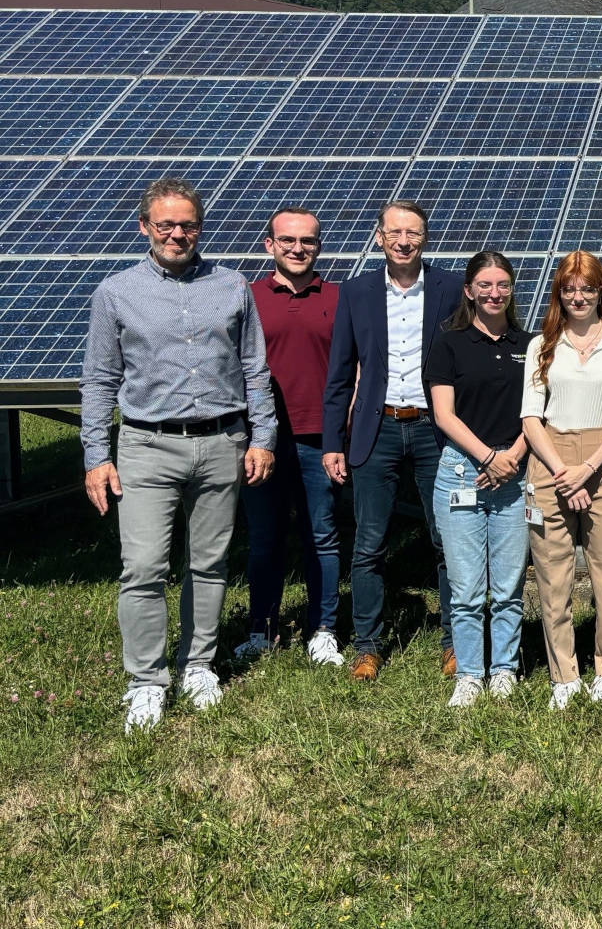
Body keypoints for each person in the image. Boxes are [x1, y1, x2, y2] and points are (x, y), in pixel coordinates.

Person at [83, 177, 276, 733]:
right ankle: (146, 681)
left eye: (187, 224)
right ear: (145, 227)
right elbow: (98, 380)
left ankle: (198, 665)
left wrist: (262, 438)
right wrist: (97, 453)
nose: (177, 234)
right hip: (146, 444)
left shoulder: (232, 286)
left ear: (200, 227)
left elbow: (254, 369)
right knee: (142, 569)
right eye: (165, 224)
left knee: (209, 564)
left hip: (222, 443)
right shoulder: (116, 293)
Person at [323, 200, 462, 683]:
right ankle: (367, 646)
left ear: (426, 238)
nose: (404, 241)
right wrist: (331, 442)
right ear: (379, 236)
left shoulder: (451, 288)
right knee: (368, 544)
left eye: (414, 234)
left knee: (447, 540)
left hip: (435, 430)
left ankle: (454, 641)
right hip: (375, 428)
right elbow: (340, 373)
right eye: (395, 233)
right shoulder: (356, 292)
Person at [522, 252, 602, 708]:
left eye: (587, 289)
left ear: (600, 292)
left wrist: (588, 468)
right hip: (550, 457)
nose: (578, 297)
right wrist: (560, 471)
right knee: (553, 575)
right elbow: (531, 416)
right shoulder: (542, 346)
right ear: (559, 293)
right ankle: (564, 676)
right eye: (569, 289)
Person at [426, 252, 534, 706]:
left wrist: (512, 457)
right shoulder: (449, 343)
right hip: (461, 473)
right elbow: (444, 414)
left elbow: (538, 413)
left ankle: (504, 669)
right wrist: (489, 456)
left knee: (508, 587)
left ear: (511, 290)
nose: (494, 294)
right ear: (469, 290)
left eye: (503, 285)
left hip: (516, 471)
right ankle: (470, 673)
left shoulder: (530, 345)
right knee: (467, 588)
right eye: (485, 285)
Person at [237, 206, 344, 667]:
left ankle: (324, 629)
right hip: (263, 441)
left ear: (319, 247)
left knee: (323, 537)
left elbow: (355, 368)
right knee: (264, 538)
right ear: (270, 245)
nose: (298, 249)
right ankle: (262, 627)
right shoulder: (245, 297)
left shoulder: (340, 298)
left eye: (308, 242)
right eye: (288, 241)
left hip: (321, 440)